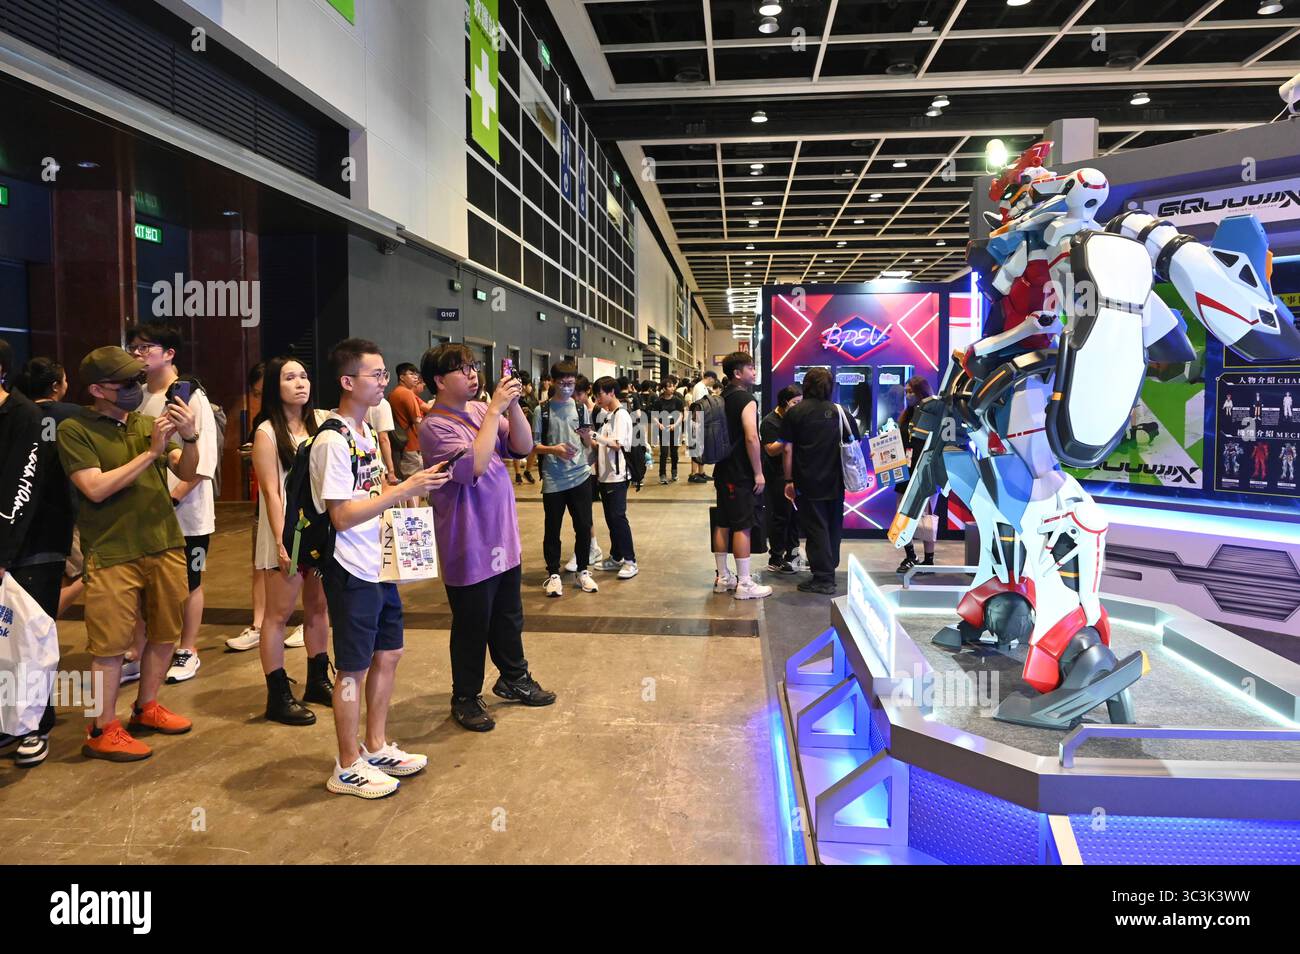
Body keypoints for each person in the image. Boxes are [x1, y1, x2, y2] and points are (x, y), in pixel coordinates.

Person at [314, 339, 448, 798]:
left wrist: (401, 487)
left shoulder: (366, 432)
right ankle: (347, 763)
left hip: (379, 562)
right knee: (351, 668)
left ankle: (374, 745)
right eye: (375, 374)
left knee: (388, 654)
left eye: (386, 372)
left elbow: (371, 489)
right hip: (351, 567)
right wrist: (402, 488)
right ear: (348, 381)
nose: (384, 381)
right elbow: (341, 515)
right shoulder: (332, 440)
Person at [56, 345, 200, 761]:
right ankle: (102, 728)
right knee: (110, 646)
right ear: (98, 389)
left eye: (138, 380)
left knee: (164, 634)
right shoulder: (75, 430)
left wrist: (189, 437)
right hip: (113, 551)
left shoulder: (144, 422)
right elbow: (95, 487)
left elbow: (188, 471)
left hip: (164, 543)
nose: (136, 388)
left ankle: (147, 707)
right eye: (125, 383)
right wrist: (151, 452)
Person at [420, 343, 556, 732]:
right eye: (461, 369)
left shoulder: (481, 409)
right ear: (438, 381)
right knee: (472, 624)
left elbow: (524, 446)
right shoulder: (435, 426)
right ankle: (465, 695)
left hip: (502, 537)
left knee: (508, 616)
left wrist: (510, 404)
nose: (471, 374)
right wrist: (495, 409)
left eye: (472, 366)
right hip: (468, 542)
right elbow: (472, 467)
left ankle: (513, 677)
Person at [126, 322, 220, 686]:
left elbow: (204, 459)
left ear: (169, 354)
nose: (137, 354)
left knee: (189, 582)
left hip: (186, 513)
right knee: (142, 583)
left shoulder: (188, 396)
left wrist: (173, 498)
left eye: (145, 347)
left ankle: (188, 649)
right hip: (143, 509)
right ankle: (140, 651)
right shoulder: (134, 395)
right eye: (133, 347)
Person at [0, 346, 78, 766]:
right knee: (4, 643)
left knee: (31, 639)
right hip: (9, 549)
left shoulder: (29, 417)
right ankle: (9, 722)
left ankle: (35, 725)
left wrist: (3, 554)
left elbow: (20, 492)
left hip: (34, 547)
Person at [252, 356, 336, 725]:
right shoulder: (267, 432)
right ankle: (277, 694)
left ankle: (318, 679)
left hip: (320, 529)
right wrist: (281, 541)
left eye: (304, 375)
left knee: (319, 608)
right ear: (275, 386)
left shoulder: (321, 421)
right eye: (290, 378)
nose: (300, 383)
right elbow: (271, 492)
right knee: (278, 615)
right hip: (286, 533)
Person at [782, 367, 859, 595]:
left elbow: (787, 449)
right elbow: (854, 441)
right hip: (836, 480)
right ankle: (828, 569)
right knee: (833, 525)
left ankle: (824, 578)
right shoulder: (840, 411)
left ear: (806, 385)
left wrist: (788, 480)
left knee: (816, 528)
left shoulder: (795, 413)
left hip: (807, 480)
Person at [533, 361, 598, 597]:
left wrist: (586, 438)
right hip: (553, 478)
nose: (568, 388)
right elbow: (533, 446)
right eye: (563, 384)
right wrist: (554, 450)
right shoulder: (543, 410)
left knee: (583, 526)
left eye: (571, 383)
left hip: (580, 475)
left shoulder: (581, 409)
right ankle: (553, 574)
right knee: (553, 527)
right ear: (552, 382)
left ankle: (583, 570)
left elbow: (588, 445)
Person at [710, 354, 771, 599]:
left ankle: (723, 577)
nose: (754, 372)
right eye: (750, 368)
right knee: (743, 525)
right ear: (737, 373)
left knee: (723, 522)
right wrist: (758, 472)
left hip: (723, 470)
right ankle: (744, 583)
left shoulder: (722, 397)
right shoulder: (746, 399)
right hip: (740, 472)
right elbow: (751, 437)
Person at [590, 377, 639, 579]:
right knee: (611, 519)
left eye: (599, 394)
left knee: (618, 518)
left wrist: (595, 436)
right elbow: (603, 445)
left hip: (617, 476)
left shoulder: (621, 415)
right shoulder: (609, 416)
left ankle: (630, 560)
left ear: (611, 393)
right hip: (606, 475)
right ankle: (616, 556)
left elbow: (617, 444)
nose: (597, 398)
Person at [895, 376, 936, 573]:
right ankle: (910, 555)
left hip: (925, 471)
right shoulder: (906, 416)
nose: (908, 395)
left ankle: (929, 560)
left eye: (911, 391)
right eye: (906, 392)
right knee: (902, 515)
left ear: (922, 392)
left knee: (926, 516)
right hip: (905, 471)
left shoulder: (932, 416)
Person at [564, 374, 603, 573]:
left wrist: (589, 437)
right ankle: (591, 547)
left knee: (583, 513)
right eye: (573, 393)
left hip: (592, 468)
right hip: (575, 467)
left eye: (578, 393)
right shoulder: (571, 410)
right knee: (579, 513)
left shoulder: (597, 412)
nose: (576, 397)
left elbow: (605, 442)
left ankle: (590, 548)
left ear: (587, 391)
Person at [761, 384, 803, 574]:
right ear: (785, 402)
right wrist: (787, 439)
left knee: (795, 515)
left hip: (795, 474)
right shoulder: (770, 422)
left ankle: (793, 554)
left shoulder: (795, 419)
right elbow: (770, 449)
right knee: (781, 516)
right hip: (777, 475)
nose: (798, 406)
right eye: (795, 403)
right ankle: (776, 557)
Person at [388, 362, 427, 479]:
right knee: (415, 483)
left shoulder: (395, 392)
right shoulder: (406, 393)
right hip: (412, 445)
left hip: (403, 445)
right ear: (402, 377)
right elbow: (417, 421)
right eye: (411, 374)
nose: (415, 377)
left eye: (416, 374)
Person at [688, 371, 717, 482]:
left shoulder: (703, 387)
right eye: (713, 380)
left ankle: (701, 472)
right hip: (698, 419)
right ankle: (693, 474)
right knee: (696, 447)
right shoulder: (700, 387)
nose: (713, 383)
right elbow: (700, 405)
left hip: (701, 419)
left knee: (701, 448)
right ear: (710, 378)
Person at [654, 379, 684, 484]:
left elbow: (681, 415)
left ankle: (674, 471)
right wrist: (659, 424)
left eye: (673, 386)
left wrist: (675, 425)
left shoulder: (678, 400)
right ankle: (662, 474)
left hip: (674, 429)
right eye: (670, 386)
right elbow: (654, 415)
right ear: (664, 388)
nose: (672, 388)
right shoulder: (658, 401)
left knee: (674, 452)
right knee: (664, 452)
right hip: (664, 429)